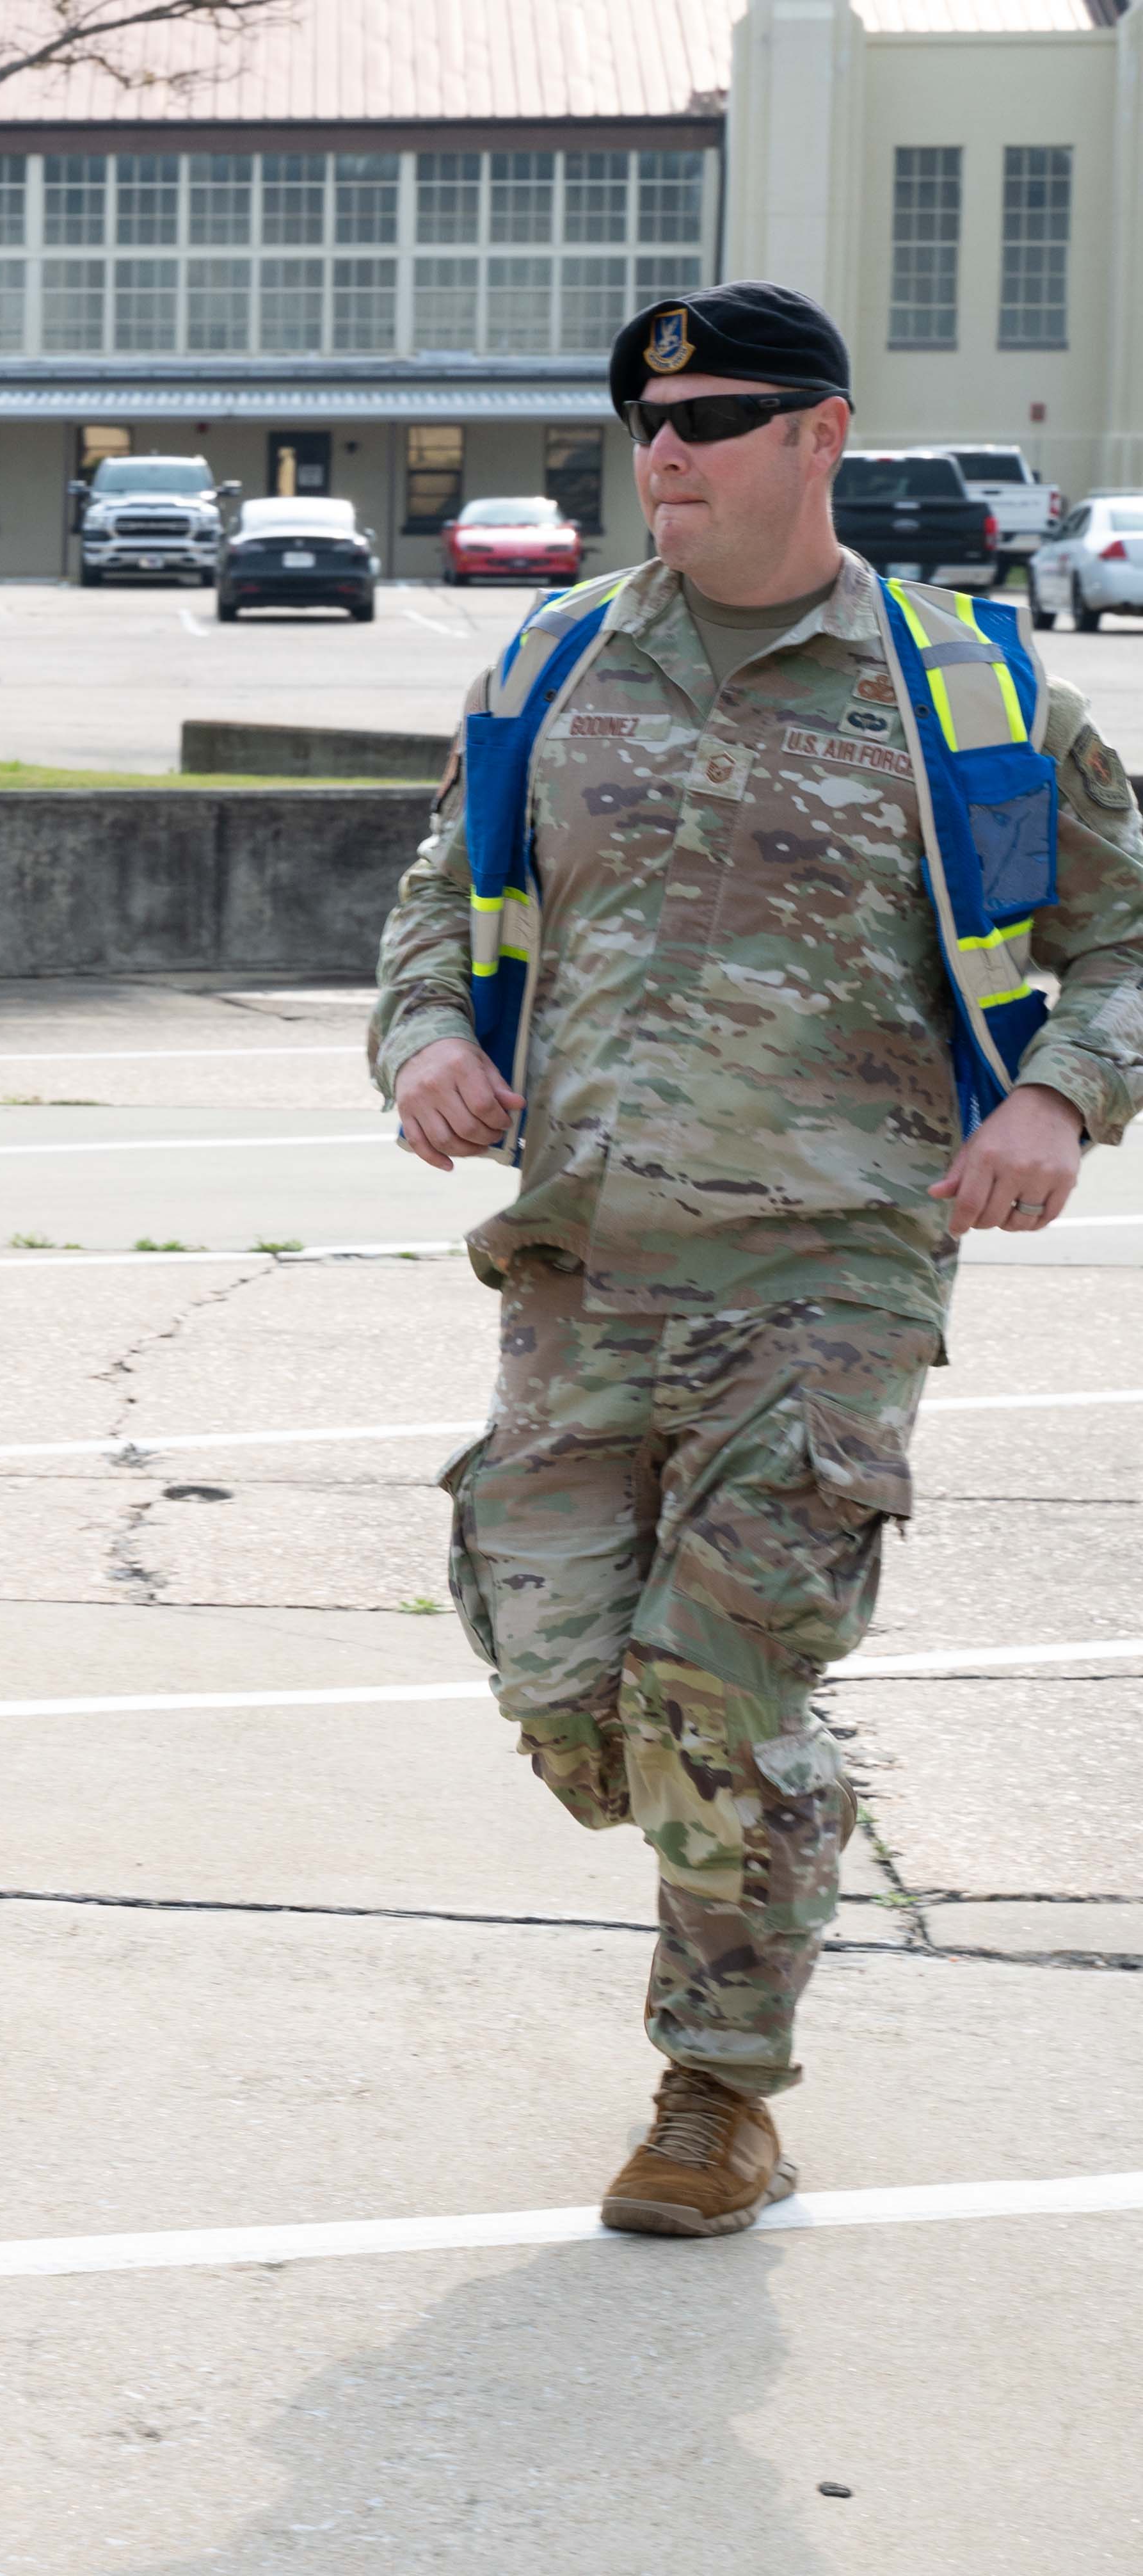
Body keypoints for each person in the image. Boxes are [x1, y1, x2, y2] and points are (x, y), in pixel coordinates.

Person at [374, 280, 1143, 2236]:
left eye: (712, 418)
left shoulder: (963, 694)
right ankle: (759, 1823)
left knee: (716, 1691)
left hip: (829, 1275)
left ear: (825, 435)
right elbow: (429, 908)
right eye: (647, 419)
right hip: (582, 1266)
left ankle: (717, 2087)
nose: (666, 452)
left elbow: (1130, 943)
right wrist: (433, 1039)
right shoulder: (547, 668)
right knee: (572, 1697)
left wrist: (1061, 1096)